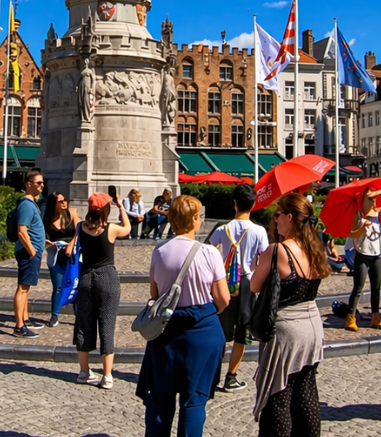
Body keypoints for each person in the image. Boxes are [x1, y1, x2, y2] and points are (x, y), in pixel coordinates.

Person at [137, 195, 229, 437]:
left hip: (165, 330)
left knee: (160, 400)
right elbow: (223, 299)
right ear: (195, 220)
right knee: (194, 400)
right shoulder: (210, 253)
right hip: (202, 331)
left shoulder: (160, 251)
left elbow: (155, 294)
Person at [250, 192, 326, 437]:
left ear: (290, 217)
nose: (275, 218)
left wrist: (257, 264)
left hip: (287, 329)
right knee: (305, 389)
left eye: (278, 214)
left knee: (278, 394)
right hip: (312, 325)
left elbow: (255, 285)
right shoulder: (315, 247)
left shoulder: (278, 250)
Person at [209, 183, 269, 391]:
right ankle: (231, 376)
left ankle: (212, 375)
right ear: (253, 205)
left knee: (220, 332)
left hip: (224, 282)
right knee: (242, 333)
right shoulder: (259, 231)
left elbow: (209, 251)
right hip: (247, 283)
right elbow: (263, 259)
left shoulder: (222, 229)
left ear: (235, 204)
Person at [74, 192, 131, 388]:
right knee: (106, 324)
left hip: (86, 278)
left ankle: (83, 371)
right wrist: (121, 207)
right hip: (107, 277)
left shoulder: (80, 227)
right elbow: (128, 228)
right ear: (107, 209)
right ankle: (107, 375)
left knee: (84, 324)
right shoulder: (111, 229)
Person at [344, 186, 381, 331]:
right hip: (362, 254)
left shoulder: (378, 213)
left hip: (377, 255)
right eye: (369, 198)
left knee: (376, 287)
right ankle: (350, 317)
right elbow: (351, 234)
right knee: (358, 287)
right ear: (362, 199)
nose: (373, 201)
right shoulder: (358, 214)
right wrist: (362, 229)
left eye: (374, 198)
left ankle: (375, 317)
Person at [13, 169, 46, 338]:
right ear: (29, 184)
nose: (42, 186)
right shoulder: (26, 204)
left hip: (31, 250)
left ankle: (24, 319)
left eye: (42, 182)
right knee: (23, 288)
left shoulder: (31, 203)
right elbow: (22, 231)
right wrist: (32, 251)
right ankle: (19, 326)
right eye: (38, 183)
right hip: (28, 252)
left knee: (26, 288)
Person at [44, 191, 80, 328]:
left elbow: (79, 231)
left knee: (75, 285)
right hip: (56, 255)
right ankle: (55, 314)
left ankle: (78, 314)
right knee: (58, 286)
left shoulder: (71, 214)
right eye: (60, 201)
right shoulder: (48, 219)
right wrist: (49, 243)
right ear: (54, 203)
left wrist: (71, 244)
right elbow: (43, 237)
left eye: (64, 199)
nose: (64, 203)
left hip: (71, 255)